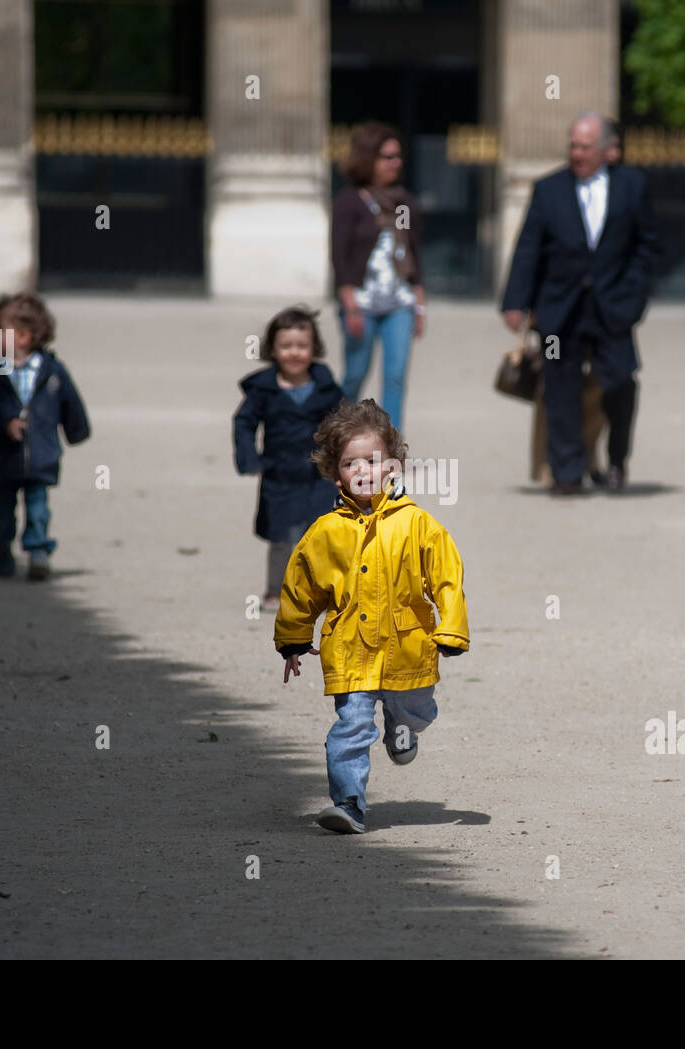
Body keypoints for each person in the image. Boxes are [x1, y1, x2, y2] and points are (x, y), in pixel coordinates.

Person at [274, 399, 469, 834]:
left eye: (372, 460)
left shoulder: (417, 524)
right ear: (334, 471)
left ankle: (403, 723)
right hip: (350, 649)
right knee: (350, 727)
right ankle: (349, 803)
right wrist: (292, 636)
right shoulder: (325, 531)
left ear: (394, 466)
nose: (361, 470)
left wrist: (451, 628)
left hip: (408, 650)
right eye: (349, 463)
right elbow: (300, 585)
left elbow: (446, 578)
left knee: (418, 711)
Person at [501, 111, 661, 495]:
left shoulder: (632, 187)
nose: (576, 153)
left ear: (608, 150)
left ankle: (617, 460)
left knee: (620, 381)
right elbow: (528, 249)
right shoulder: (548, 189)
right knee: (560, 388)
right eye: (573, 145)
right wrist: (516, 301)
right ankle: (567, 472)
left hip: (613, 307)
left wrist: (634, 294)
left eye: (585, 146)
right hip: (560, 308)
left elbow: (650, 246)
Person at [233, 305, 344, 613]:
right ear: (273, 348)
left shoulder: (326, 388)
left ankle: (321, 592)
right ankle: (275, 590)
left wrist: (349, 463)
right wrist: (248, 458)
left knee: (322, 536)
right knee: (281, 537)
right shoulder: (263, 389)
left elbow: (343, 423)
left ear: (314, 348)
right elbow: (243, 422)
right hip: (279, 474)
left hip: (319, 475)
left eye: (302, 346)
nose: (294, 353)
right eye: (286, 346)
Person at [0, 292, 90, 580]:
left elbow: (70, 402)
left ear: (23, 336)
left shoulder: (53, 372)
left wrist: (77, 431)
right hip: (0, 459)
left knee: (38, 509)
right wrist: (5, 421)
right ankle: (1, 543)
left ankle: (38, 552)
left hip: (39, 456)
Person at [331, 122, 427, 429]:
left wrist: (419, 303)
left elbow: (413, 254)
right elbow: (339, 257)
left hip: (399, 302)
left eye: (398, 156)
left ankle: (391, 449)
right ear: (368, 159)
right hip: (362, 302)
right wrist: (350, 304)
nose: (396, 163)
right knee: (355, 375)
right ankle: (338, 439)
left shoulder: (404, 201)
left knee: (396, 377)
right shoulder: (350, 201)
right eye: (388, 157)